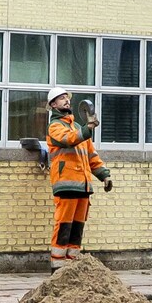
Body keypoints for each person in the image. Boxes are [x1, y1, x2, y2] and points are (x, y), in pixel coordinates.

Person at [44, 86, 110, 269]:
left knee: (77, 227)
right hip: (66, 184)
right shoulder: (55, 127)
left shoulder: (78, 128)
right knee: (64, 226)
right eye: (61, 98)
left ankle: (72, 265)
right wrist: (88, 128)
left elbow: (91, 156)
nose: (66, 100)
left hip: (83, 186)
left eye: (67, 97)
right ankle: (57, 267)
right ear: (53, 104)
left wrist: (104, 175)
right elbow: (69, 139)